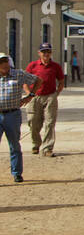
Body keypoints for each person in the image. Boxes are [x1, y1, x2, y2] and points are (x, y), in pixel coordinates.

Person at [0, 52, 42, 182]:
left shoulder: (18, 74)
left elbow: (38, 80)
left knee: (14, 144)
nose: (6, 69)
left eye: (7, 66)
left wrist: (30, 96)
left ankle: (17, 172)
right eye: (3, 67)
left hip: (12, 114)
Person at [26, 43, 65, 158]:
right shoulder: (32, 66)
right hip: (35, 97)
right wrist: (29, 93)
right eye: (43, 52)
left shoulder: (55, 66)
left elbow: (61, 81)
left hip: (50, 96)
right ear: (39, 53)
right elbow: (25, 81)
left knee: (50, 122)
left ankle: (47, 148)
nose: (46, 54)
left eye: (48, 51)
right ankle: (36, 144)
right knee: (33, 121)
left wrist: (56, 93)